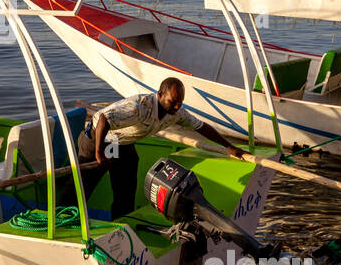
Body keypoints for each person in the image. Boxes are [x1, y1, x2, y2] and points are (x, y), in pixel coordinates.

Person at [74, 77, 244, 220]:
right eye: (173, 102)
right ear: (160, 95)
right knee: (85, 183)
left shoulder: (176, 113)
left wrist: (229, 147)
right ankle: (65, 217)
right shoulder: (139, 107)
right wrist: (99, 153)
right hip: (99, 136)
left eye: (180, 103)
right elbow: (103, 119)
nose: (177, 107)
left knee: (126, 185)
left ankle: (121, 220)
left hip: (120, 141)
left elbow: (200, 127)